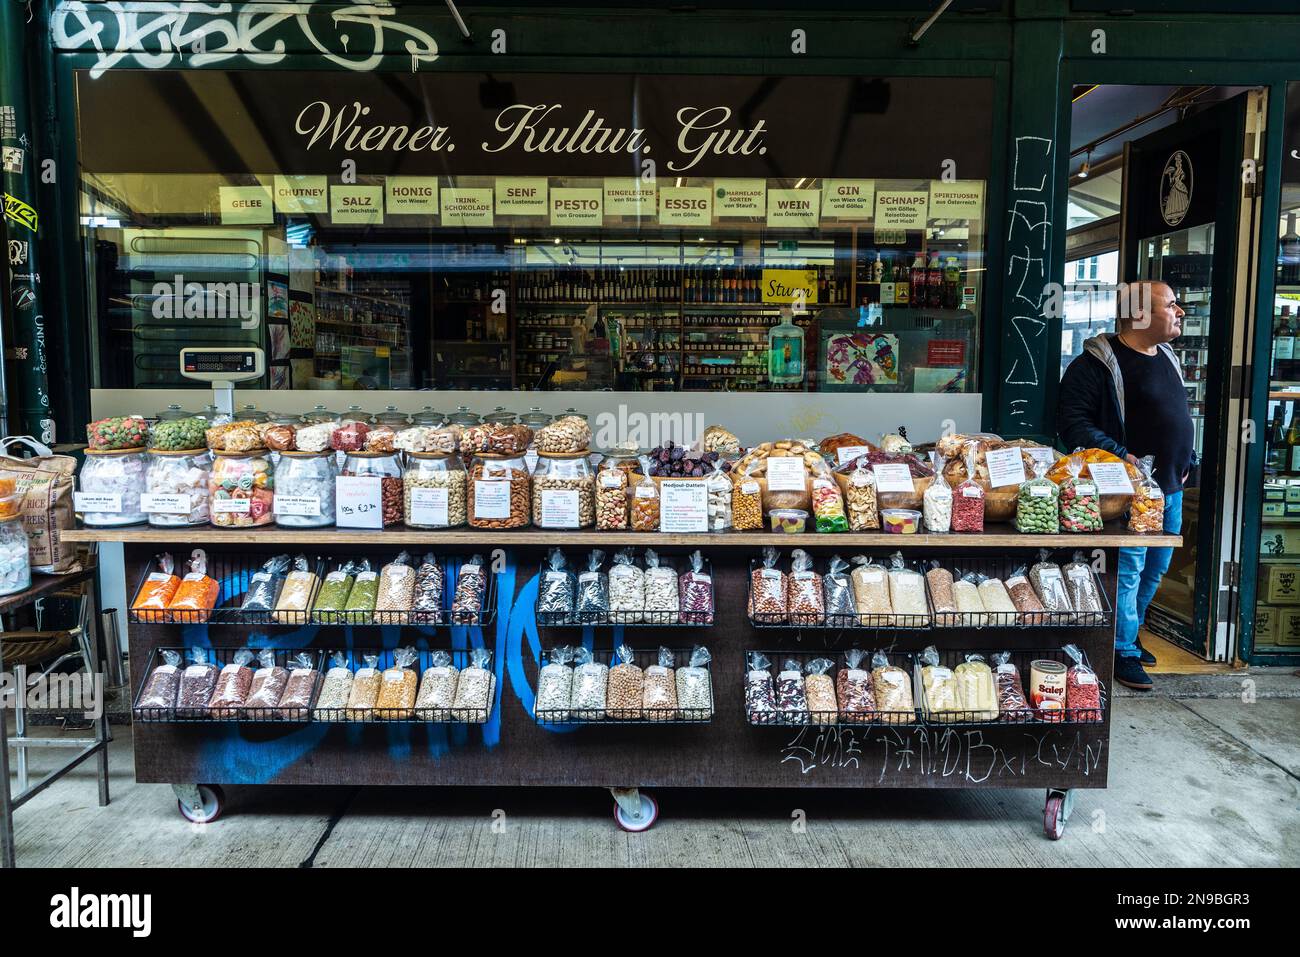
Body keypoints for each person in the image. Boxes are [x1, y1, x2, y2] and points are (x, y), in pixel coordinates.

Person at [1057, 280, 1195, 690]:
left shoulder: (1167, 356)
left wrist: (1188, 459)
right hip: (1123, 491)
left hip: (1168, 488)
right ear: (1139, 314)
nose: (1180, 311)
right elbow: (1073, 425)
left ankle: (1129, 636)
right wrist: (1123, 457)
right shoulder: (1093, 365)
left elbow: (1177, 416)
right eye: (1171, 304)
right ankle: (1120, 649)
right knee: (1129, 568)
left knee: (1157, 567)